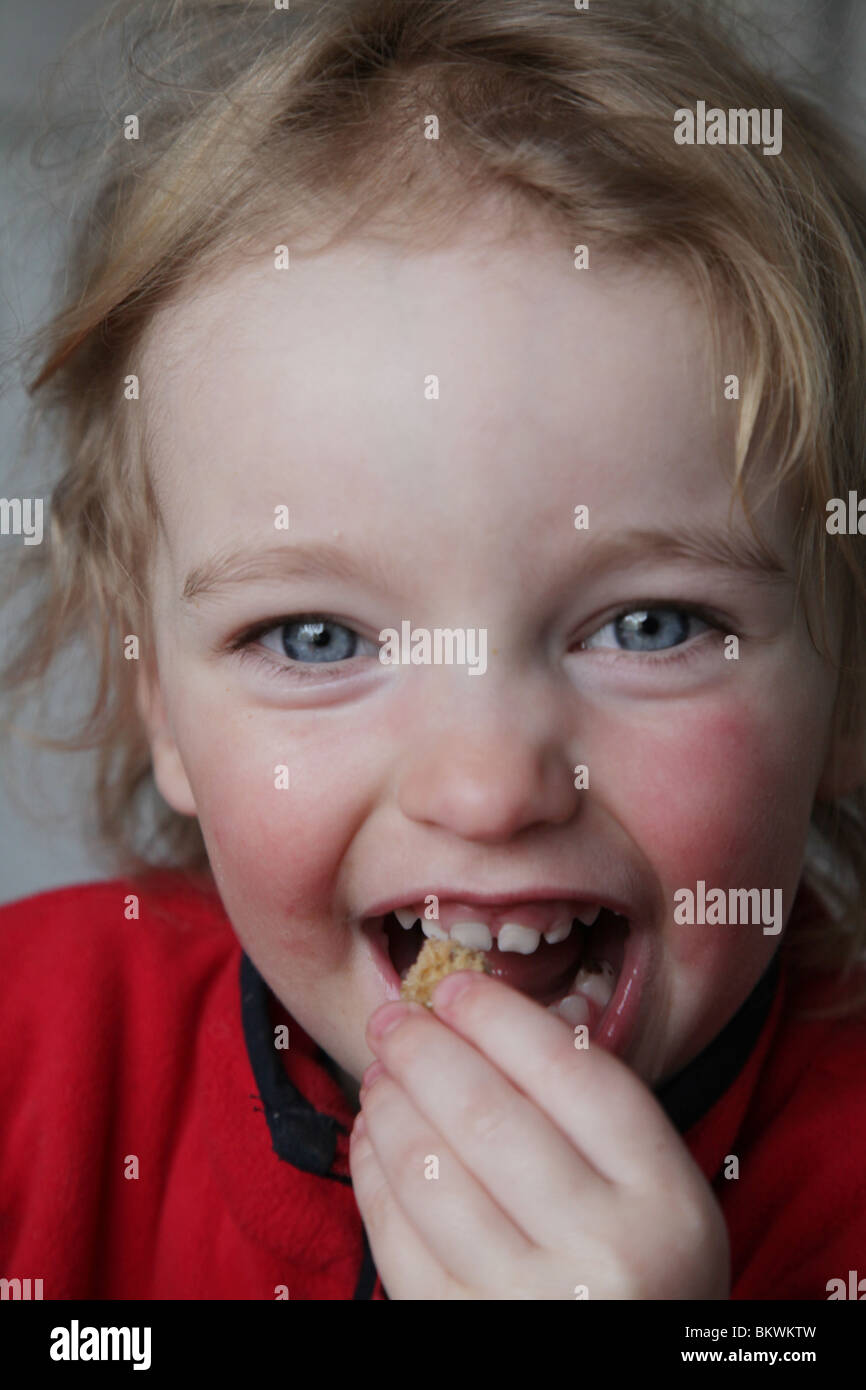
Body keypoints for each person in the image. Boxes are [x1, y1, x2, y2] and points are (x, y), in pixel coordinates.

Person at [1, 0, 865, 1301]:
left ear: (845, 679)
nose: (484, 786)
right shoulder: (35, 1056)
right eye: (313, 635)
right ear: (163, 709)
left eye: (650, 624)